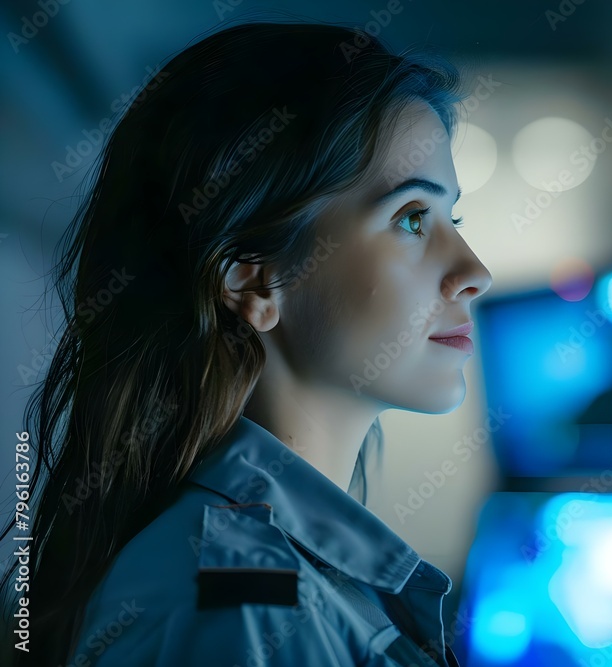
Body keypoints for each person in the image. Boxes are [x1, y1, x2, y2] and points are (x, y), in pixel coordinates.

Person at [0, 20, 492, 667]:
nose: (475, 272)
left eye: (452, 219)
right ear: (256, 281)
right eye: (411, 218)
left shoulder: (256, 581)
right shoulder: (246, 615)